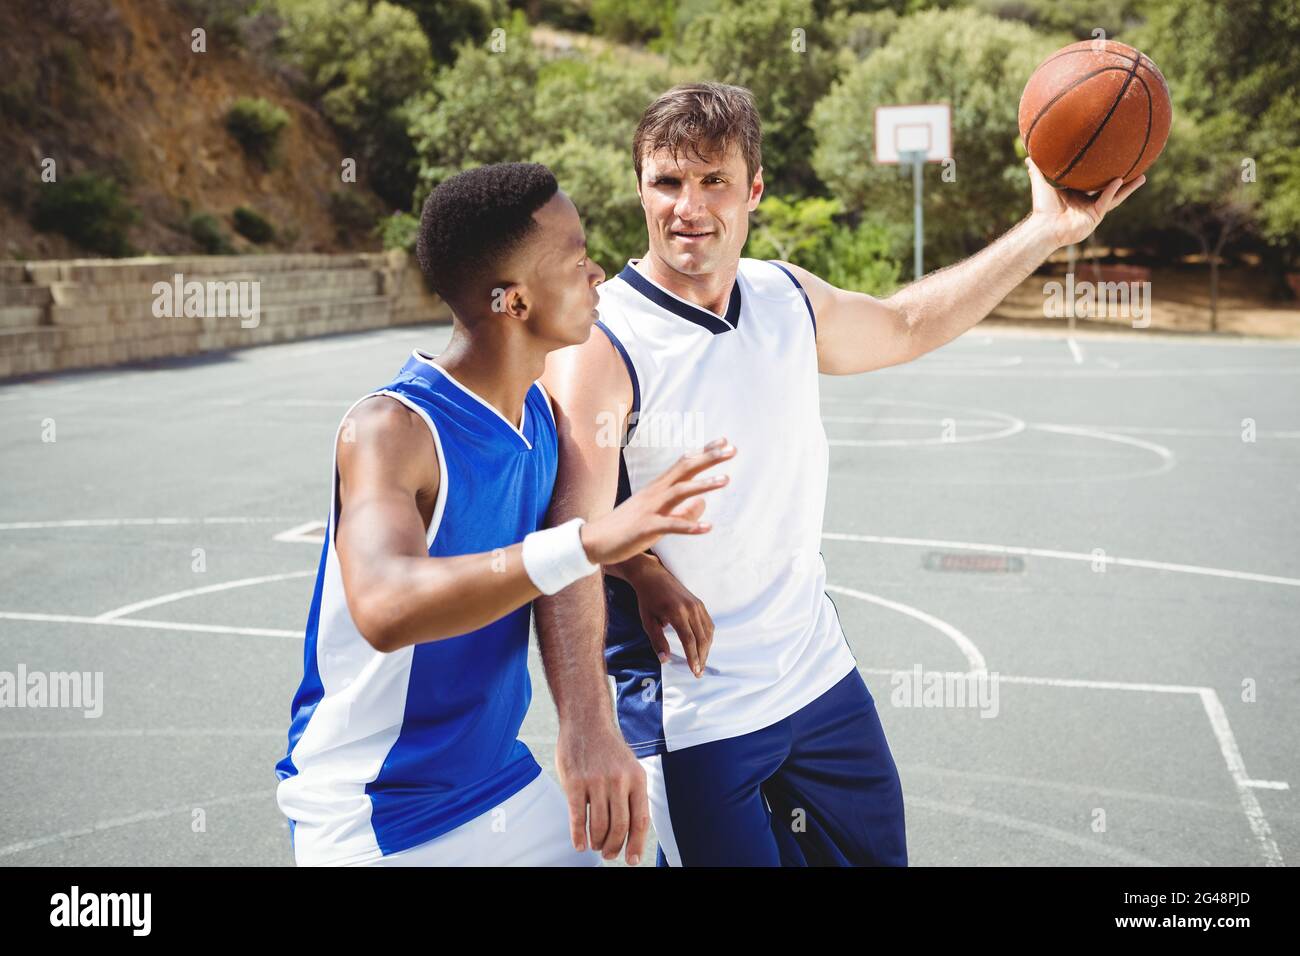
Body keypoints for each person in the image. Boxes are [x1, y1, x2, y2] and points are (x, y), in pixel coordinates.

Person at [537, 82, 1145, 866]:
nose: (688, 207)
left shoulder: (785, 296)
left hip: (816, 675)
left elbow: (909, 323)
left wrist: (1045, 231)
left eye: (713, 180)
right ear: (640, 188)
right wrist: (586, 726)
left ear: (754, 189)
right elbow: (567, 543)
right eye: (667, 181)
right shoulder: (605, 344)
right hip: (693, 707)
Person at [274, 162, 734, 866]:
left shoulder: (539, 416)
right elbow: (386, 605)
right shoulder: (393, 429)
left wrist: (639, 571)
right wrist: (587, 542)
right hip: (378, 811)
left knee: (648, 854)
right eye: (576, 259)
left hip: (493, 783)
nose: (598, 274)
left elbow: (543, 532)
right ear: (515, 303)